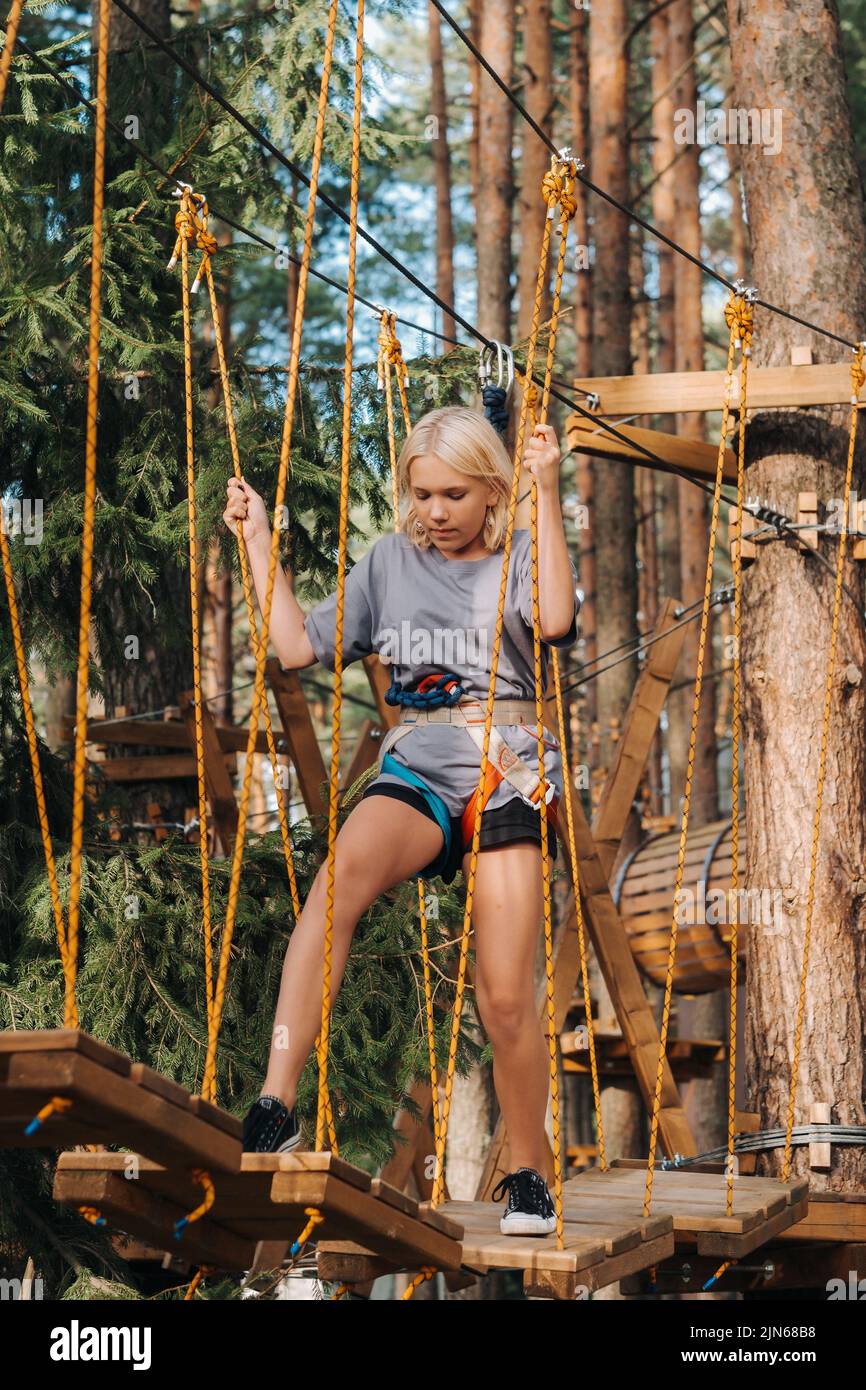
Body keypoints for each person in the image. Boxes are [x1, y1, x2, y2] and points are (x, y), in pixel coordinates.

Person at [222, 405, 580, 1236]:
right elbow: (294, 648)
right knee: (337, 879)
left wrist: (550, 489)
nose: (436, 512)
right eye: (422, 495)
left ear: (492, 489)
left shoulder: (525, 554)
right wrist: (257, 543)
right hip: (418, 765)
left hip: (505, 775)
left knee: (502, 996)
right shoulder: (388, 562)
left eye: (454, 494)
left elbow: (556, 620)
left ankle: (528, 1172)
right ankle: (276, 1100)